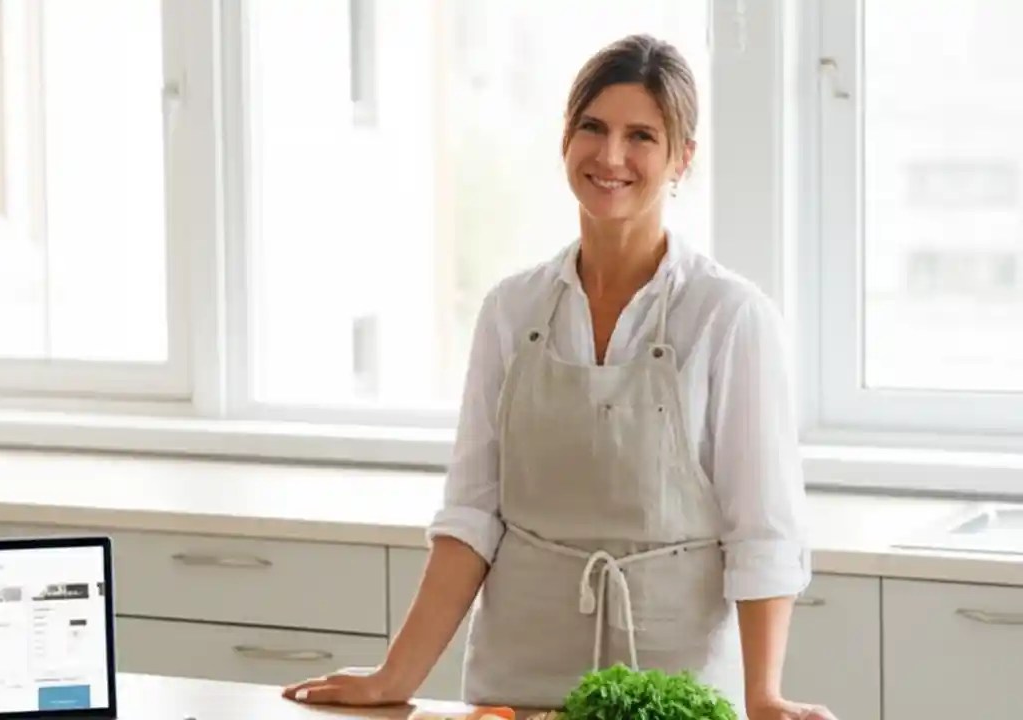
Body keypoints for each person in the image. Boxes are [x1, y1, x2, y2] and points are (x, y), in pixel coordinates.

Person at [283, 34, 835, 720]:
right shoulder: (511, 310)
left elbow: (763, 531)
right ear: (565, 139)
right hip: (516, 679)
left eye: (642, 136)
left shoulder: (729, 316)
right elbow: (472, 517)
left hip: (671, 688)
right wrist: (396, 675)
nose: (610, 156)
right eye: (592, 128)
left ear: (681, 159)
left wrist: (762, 698)